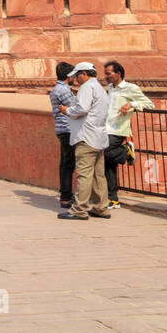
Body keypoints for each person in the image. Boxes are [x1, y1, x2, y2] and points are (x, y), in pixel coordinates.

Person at [57, 62, 111, 220]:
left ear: (84, 74)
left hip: (86, 136)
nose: (75, 78)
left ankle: (80, 209)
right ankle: (101, 207)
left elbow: (82, 108)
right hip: (98, 136)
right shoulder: (100, 88)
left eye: (77, 75)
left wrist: (67, 111)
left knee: (84, 175)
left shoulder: (87, 87)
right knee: (98, 176)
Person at [103, 61, 153, 208]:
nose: (105, 76)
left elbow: (150, 104)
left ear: (118, 73)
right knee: (108, 165)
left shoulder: (131, 88)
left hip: (119, 130)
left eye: (108, 73)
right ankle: (113, 199)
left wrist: (132, 104)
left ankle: (125, 151)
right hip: (107, 128)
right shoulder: (110, 88)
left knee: (104, 153)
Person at [49, 62, 77, 208]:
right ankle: (66, 197)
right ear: (69, 75)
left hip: (61, 129)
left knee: (65, 163)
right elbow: (75, 108)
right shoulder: (64, 90)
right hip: (67, 129)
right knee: (68, 164)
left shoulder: (56, 89)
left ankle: (65, 194)